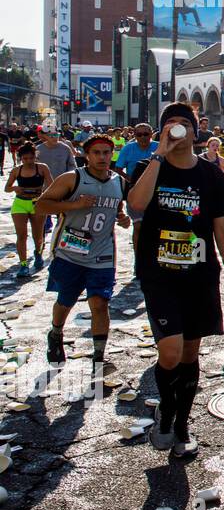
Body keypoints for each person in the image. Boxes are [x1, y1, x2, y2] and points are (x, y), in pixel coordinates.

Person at [127, 103, 224, 458]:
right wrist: (158, 156)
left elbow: (222, 227)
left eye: (182, 124)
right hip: (159, 274)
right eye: (169, 124)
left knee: (191, 351)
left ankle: (180, 422)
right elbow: (136, 205)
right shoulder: (149, 166)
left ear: (195, 132)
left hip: (200, 275)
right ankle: (166, 410)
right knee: (171, 350)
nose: (175, 129)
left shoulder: (211, 174)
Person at [37, 134, 129, 370]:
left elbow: (118, 211)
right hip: (69, 252)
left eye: (106, 153)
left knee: (99, 303)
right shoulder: (72, 178)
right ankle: (56, 333)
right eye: (96, 153)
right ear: (86, 155)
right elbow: (42, 205)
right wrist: (74, 205)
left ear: (112, 154)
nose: (102, 157)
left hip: (103, 254)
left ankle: (98, 358)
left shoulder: (119, 182)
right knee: (65, 300)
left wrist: (123, 219)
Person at [6, 143, 52, 276]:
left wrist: (43, 193)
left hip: (37, 204)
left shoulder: (42, 168)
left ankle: (38, 253)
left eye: (31, 158)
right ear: (21, 158)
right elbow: (6, 188)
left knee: (37, 235)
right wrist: (15, 188)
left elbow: (51, 185)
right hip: (20, 203)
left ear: (35, 157)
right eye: (25, 159)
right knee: (21, 235)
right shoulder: (17, 170)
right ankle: (23, 264)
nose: (28, 161)